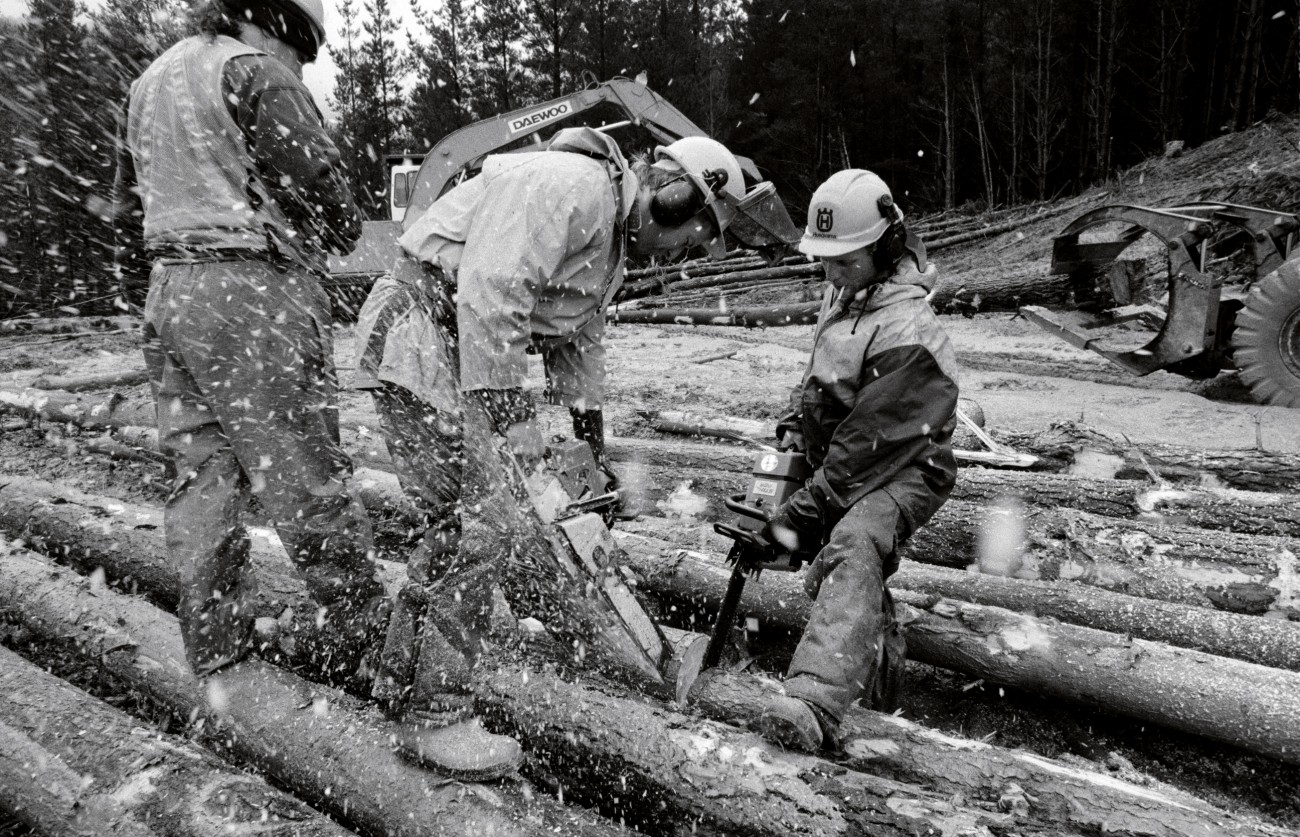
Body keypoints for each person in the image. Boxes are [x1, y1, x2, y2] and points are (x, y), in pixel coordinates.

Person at [354, 128, 783, 778]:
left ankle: (395, 680)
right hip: (426, 329)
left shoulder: (609, 237)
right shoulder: (573, 186)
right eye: (693, 235)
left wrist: (590, 451)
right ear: (673, 200)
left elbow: (578, 348)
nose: (682, 253)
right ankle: (435, 714)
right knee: (483, 528)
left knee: (455, 526)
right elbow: (491, 295)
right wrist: (516, 432)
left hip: (455, 343)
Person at [113, 0, 388, 682]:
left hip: (170, 285)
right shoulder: (257, 73)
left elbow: (125, 203)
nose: (301, 66)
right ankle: (362, 628)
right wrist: (339, 231)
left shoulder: (149, 83)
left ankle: (216, 637)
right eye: (306, 52)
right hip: (252, 286)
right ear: (282, 24)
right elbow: (321, 191)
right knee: (304, 470)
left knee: (201, 477)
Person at [755, 169, 960, 753]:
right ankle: (882, 692)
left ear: (886, 246)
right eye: (826, 261)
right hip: (847, 455)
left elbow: (874, 438)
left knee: (856, 542)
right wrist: (793, 435)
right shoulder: (845, 290)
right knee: (850, 566)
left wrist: (805, 509)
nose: (831, 272)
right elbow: (820, 381)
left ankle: (814, 702)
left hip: (907, 463)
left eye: (845, 261)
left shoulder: (907, 326)